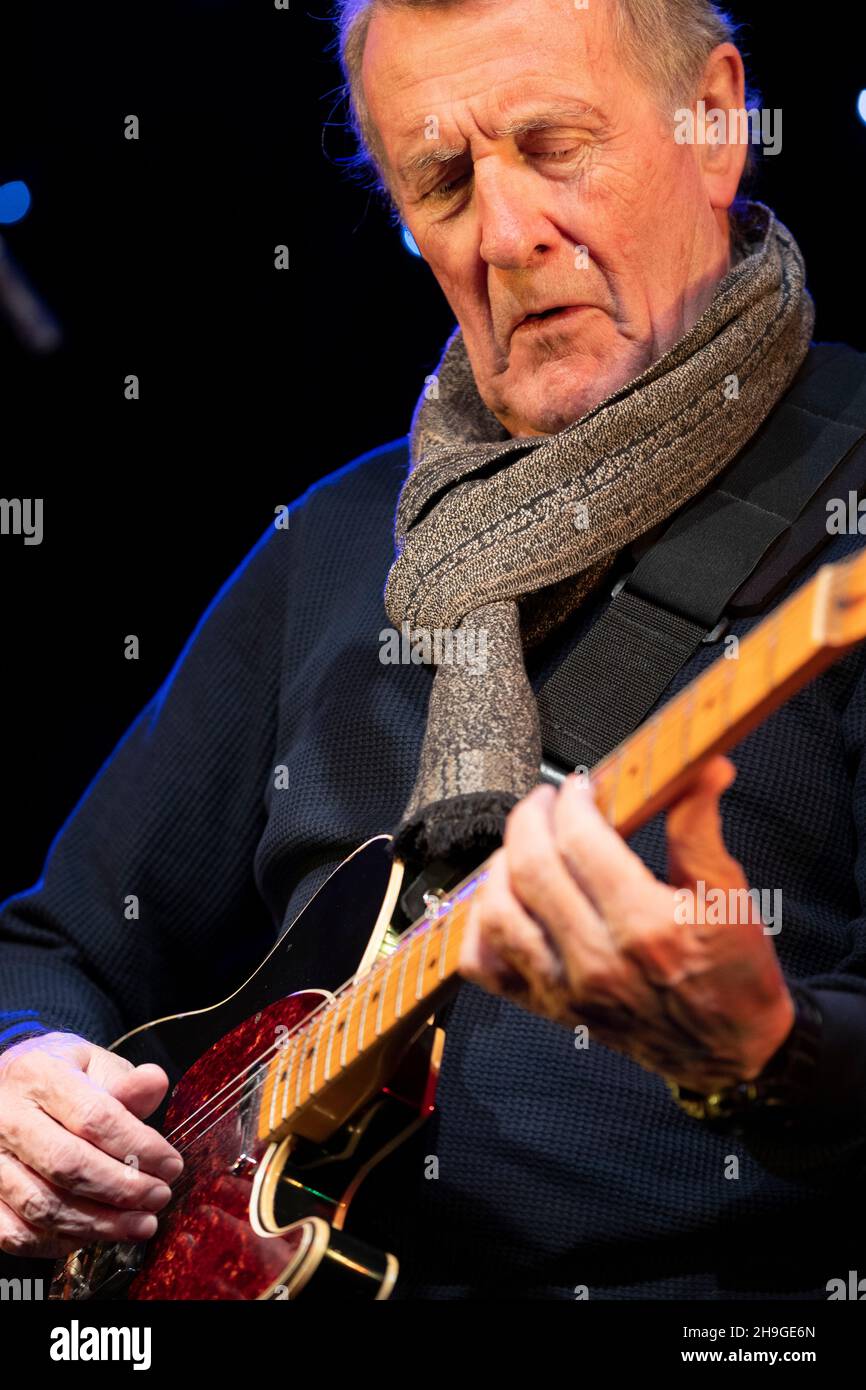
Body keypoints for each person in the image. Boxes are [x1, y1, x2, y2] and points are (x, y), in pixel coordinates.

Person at [2, 0, 866, 1299]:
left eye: (553, 144)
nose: (507, 235)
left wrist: (776, 1052)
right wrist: (24, 1072)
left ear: (715, 124)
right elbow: (56, 946)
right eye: (443, 180)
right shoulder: (333, 540)